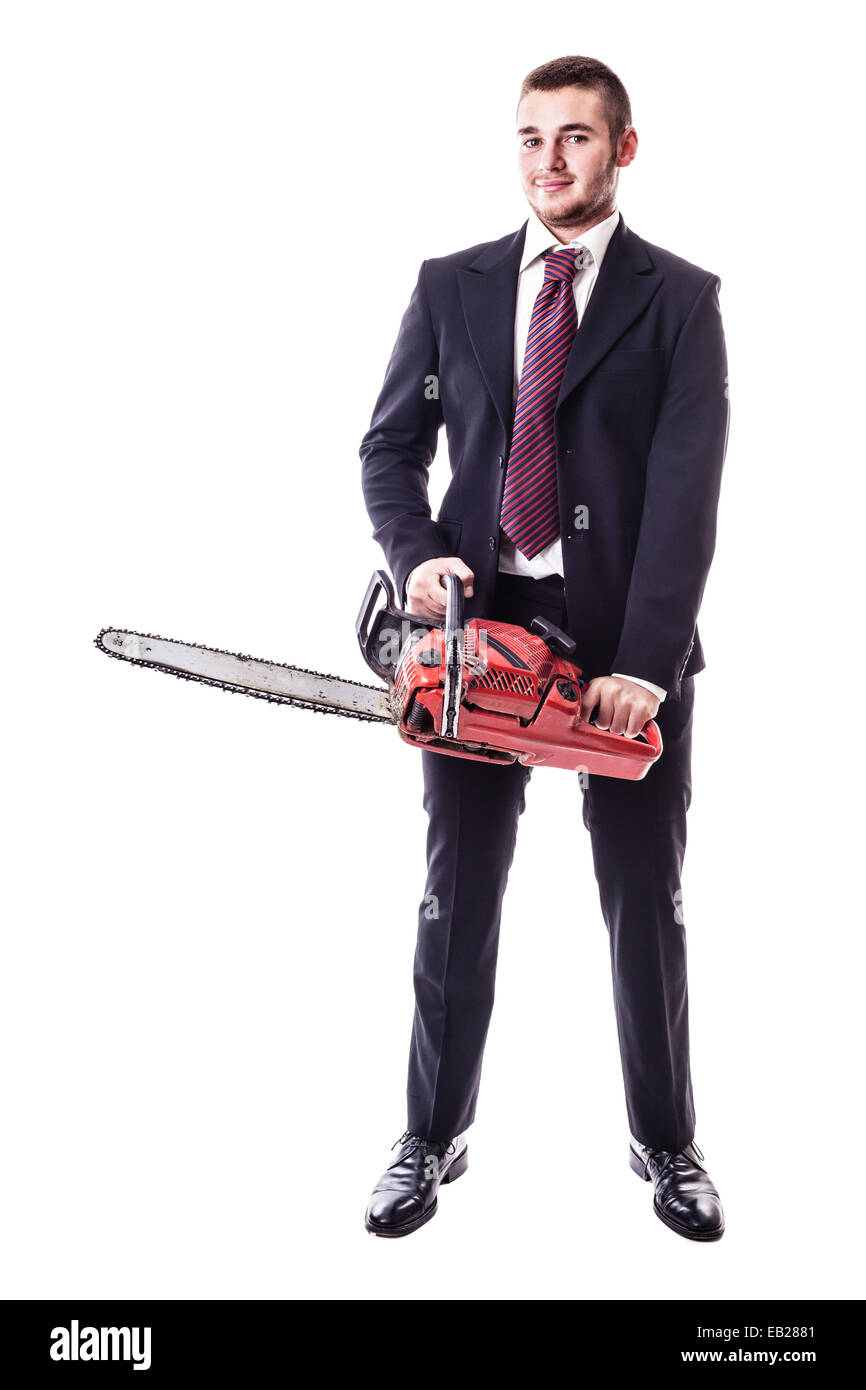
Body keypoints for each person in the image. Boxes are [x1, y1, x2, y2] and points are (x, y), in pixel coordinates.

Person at [358, 54, 730, 1242]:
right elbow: (386, 451)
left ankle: (668, 1143)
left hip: (623, 642)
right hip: (479, 641)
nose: (547, 161)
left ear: (621, 149)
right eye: (528, 138)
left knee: (643, 902)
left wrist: (646, 662)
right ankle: (428, 1134)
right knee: (454, 893)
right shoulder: (451, 285)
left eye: (573, 138)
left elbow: (684, 495)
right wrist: (416, 552)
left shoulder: (677, 299)